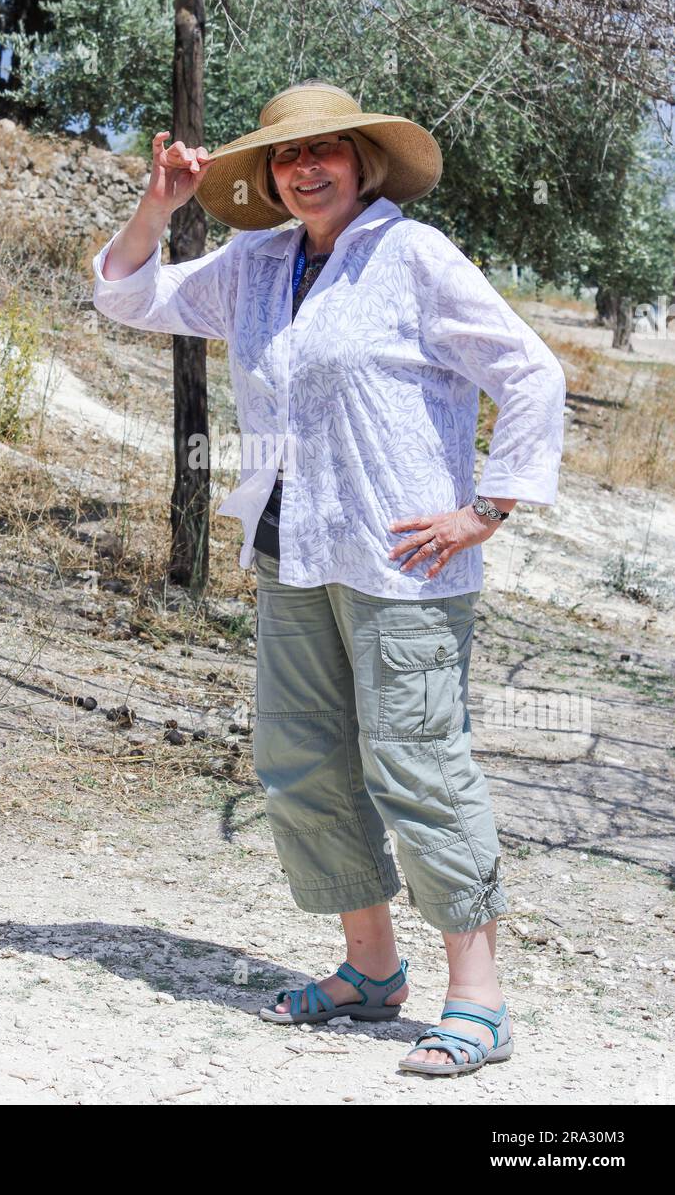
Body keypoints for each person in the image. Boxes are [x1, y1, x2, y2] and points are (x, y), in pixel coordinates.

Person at [92, 80, 567, 1078]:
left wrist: (486, 508)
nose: (304, 170)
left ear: (363, 163)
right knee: (301, 762)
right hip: (290, 549)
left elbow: (531, 375)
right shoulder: (257, 264)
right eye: (283, 158)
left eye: (326, 153)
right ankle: (369, 970)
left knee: (417, 763)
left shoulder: (414, 257)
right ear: (267, 177)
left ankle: (476, 999)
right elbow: (127, 296)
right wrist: (159, 208)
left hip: (403, 561)